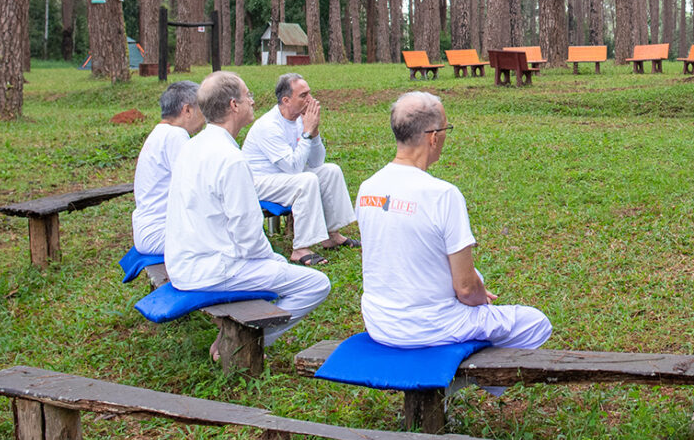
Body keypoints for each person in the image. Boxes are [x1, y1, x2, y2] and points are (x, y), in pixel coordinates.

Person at [354, 91, 551, 352]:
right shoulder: (443, 195)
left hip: (380, 323)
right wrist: (481, 298)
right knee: (535, 323)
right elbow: (466, 289)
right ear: (434, 137)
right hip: (429, 326)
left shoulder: (368, 188)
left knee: (474, 277)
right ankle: (464, 380)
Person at [165, 72, 331, 353]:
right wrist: (274, 262)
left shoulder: (193, 146)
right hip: (211, 269)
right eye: (248, 96)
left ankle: (244, 333)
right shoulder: (231, 160)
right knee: (316, 283)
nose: (253, 101)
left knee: (277, 265)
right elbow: (248, 236)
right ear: (233, 105)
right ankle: (246, 342)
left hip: (183, 263)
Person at [243, 72, 358, 267]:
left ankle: (331, 234)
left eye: (309, 94)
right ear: (286, 100)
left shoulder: (299, 120)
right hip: (259, 182)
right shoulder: (268, 126)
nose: (310, 100)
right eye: (303, 96)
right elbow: (294, 168)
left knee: (331, 171)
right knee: (305, 181)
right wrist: (306, 132)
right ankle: (301, 248)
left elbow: (316, 161)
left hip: (285, 177)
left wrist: (314, 132)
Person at [131, 80, 203, 255]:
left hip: (148, 229)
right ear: (187, 110)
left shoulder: (160, 133)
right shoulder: (175, 135)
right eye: (202, 109)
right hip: (160, 233)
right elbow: (194, 185)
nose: (205, 117)